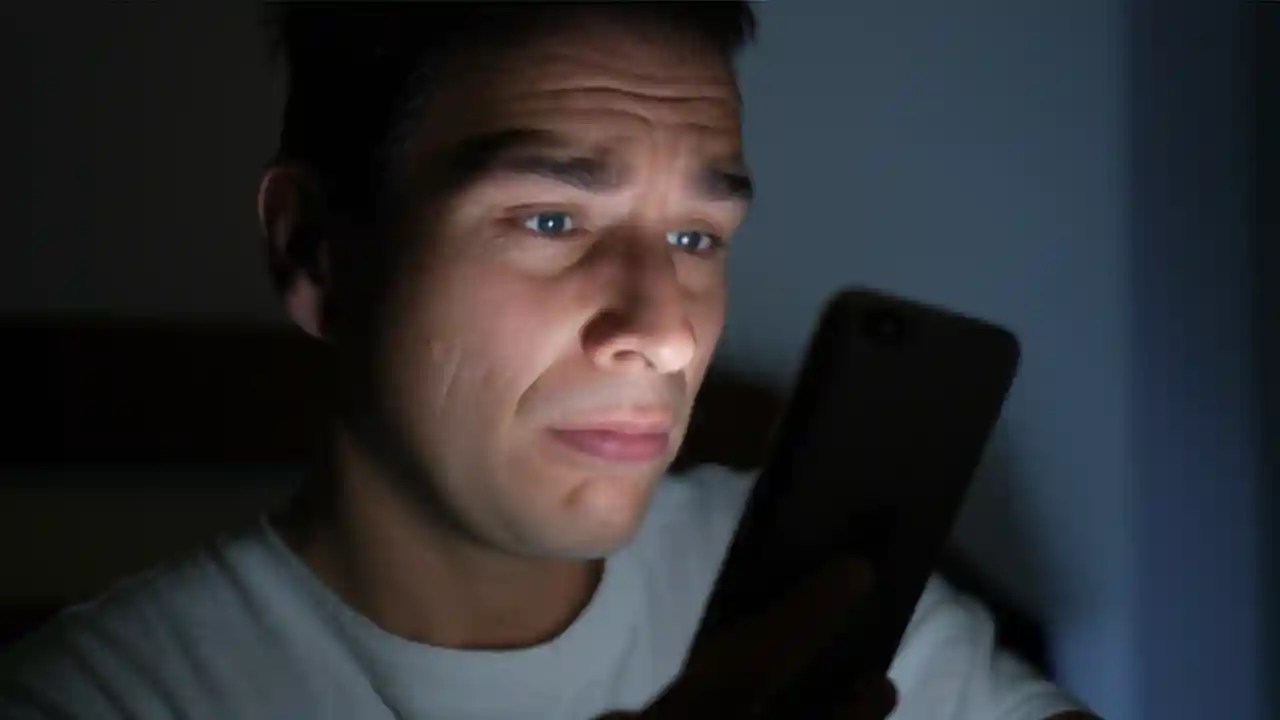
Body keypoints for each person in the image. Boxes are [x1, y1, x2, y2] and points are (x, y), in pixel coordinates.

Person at [0, 4, 1096, 718]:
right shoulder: (107, 699)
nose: (664, 334)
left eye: (693, 239)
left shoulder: (829, 600)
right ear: (316, 252)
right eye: (548, 221)